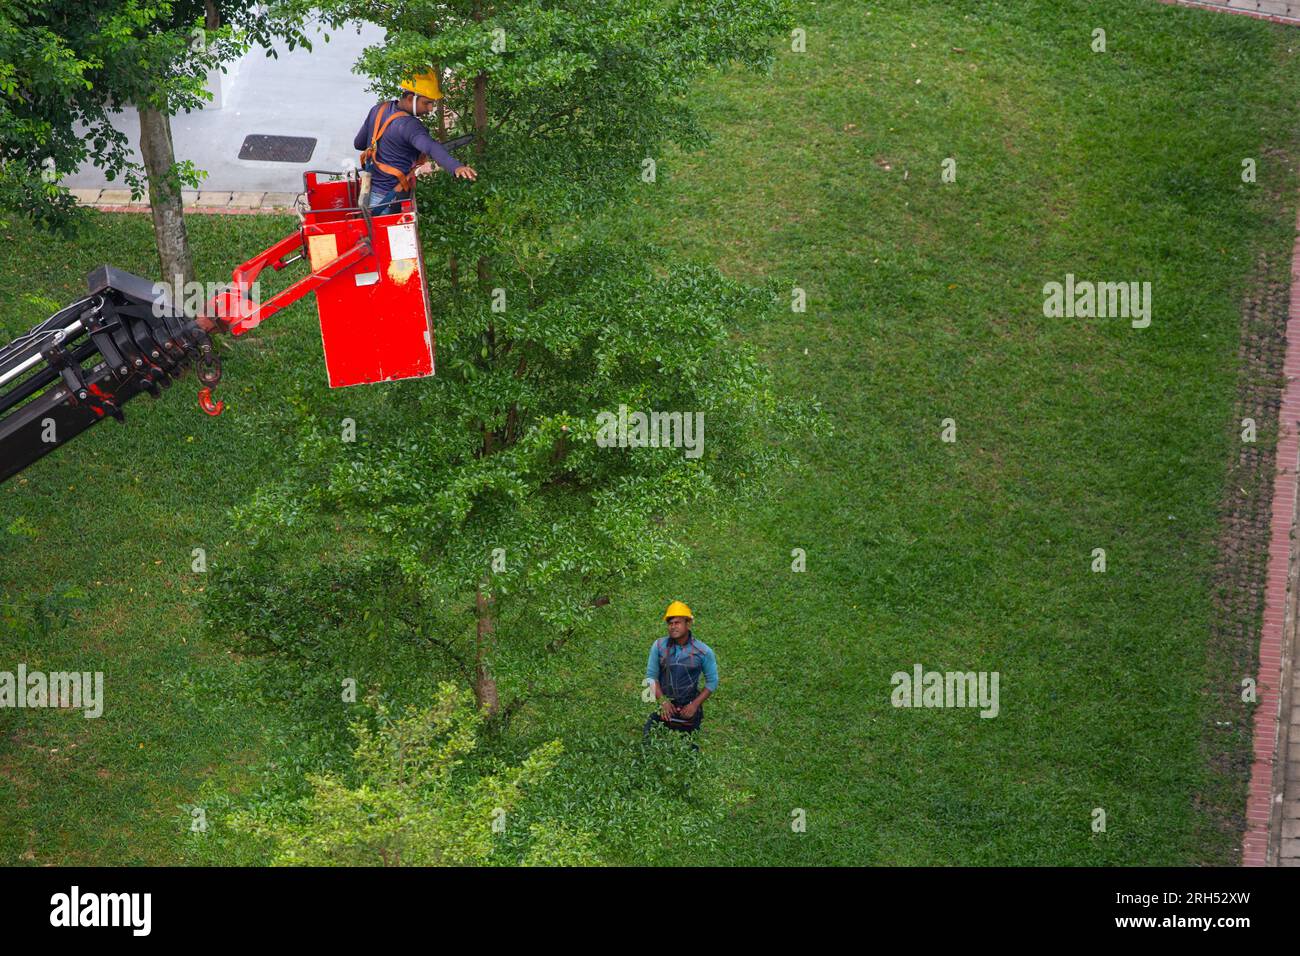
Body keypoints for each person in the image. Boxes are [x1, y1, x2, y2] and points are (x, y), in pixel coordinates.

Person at [353, 70, 477, 215]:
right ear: (411, 98)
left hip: (368, 190)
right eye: (427, 103)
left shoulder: (379, 109)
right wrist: (456, 167)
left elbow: (359, 143)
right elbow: (431, 147)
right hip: (388, 200)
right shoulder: (410, 125)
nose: (430, 109)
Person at [643, 601, 718, 748]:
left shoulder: (703, 651)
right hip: (664, 707)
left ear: (688, 623)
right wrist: (663, 702)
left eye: (678, 622)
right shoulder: (659, 646)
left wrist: (694, 705)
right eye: (670, 623)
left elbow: (712, 682)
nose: (673, 626)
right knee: (648, 744)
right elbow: (651, 677)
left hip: (688, 708)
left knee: (689, 753)